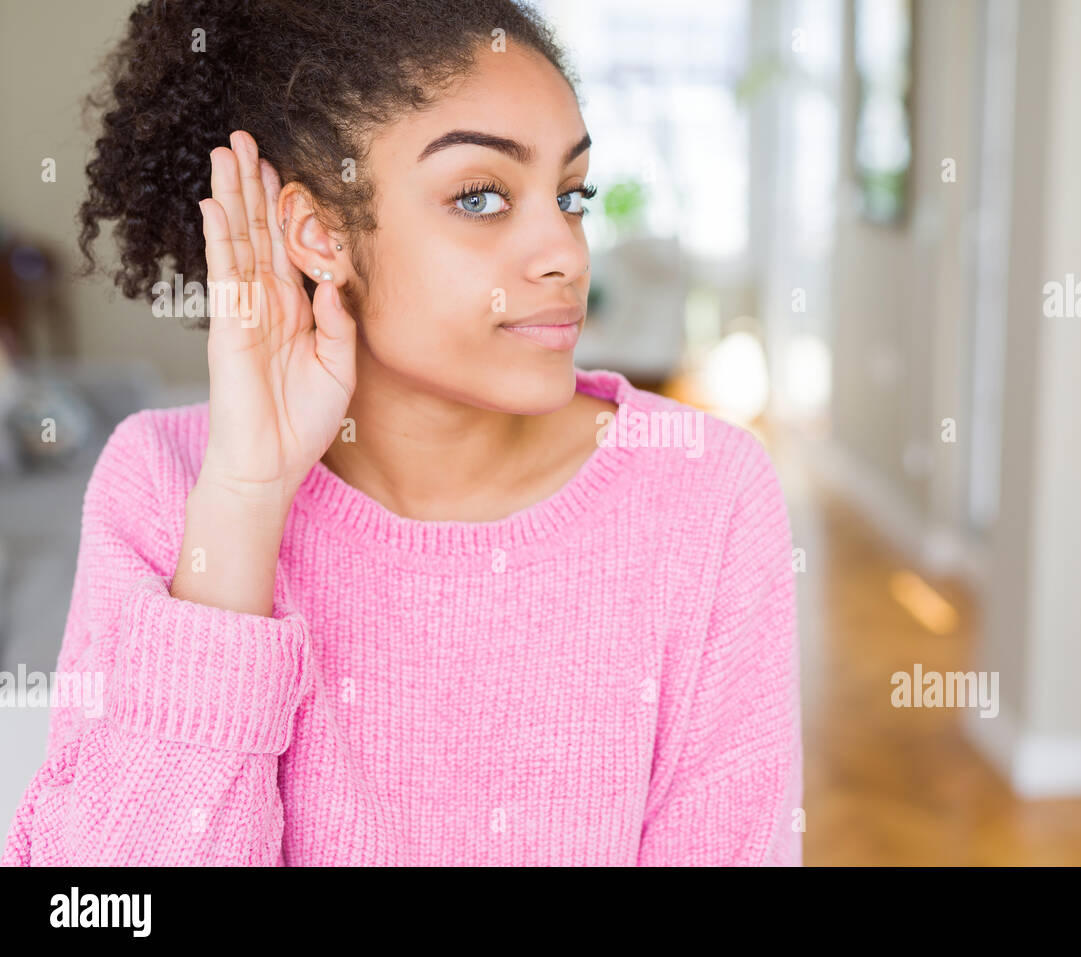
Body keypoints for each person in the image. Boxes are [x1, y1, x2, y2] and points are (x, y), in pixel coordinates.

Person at [2, 0, 802, 866]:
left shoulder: (708, 492)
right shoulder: (162, 483)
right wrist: (245, 501)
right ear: (320, 234)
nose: (566, 253)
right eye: (483, 196)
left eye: (571, 195)